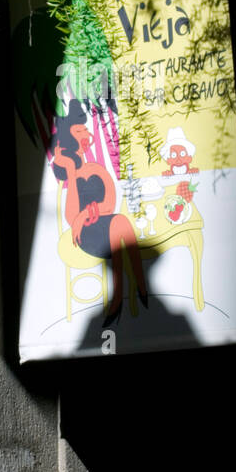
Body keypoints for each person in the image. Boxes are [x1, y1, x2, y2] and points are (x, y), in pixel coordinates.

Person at [51, 99, 148, 326]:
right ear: (70, 139)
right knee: (119, 224)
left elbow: (110, 204)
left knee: (119, 221)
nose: (85, 133)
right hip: (86, 236)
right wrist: (73, 173)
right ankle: (136, 287)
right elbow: (70, 217)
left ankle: (125, 293)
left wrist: (86, 214)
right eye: (79, 130)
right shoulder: (72, 176)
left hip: (105, 225)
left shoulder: (97, 169)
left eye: (85, 129)